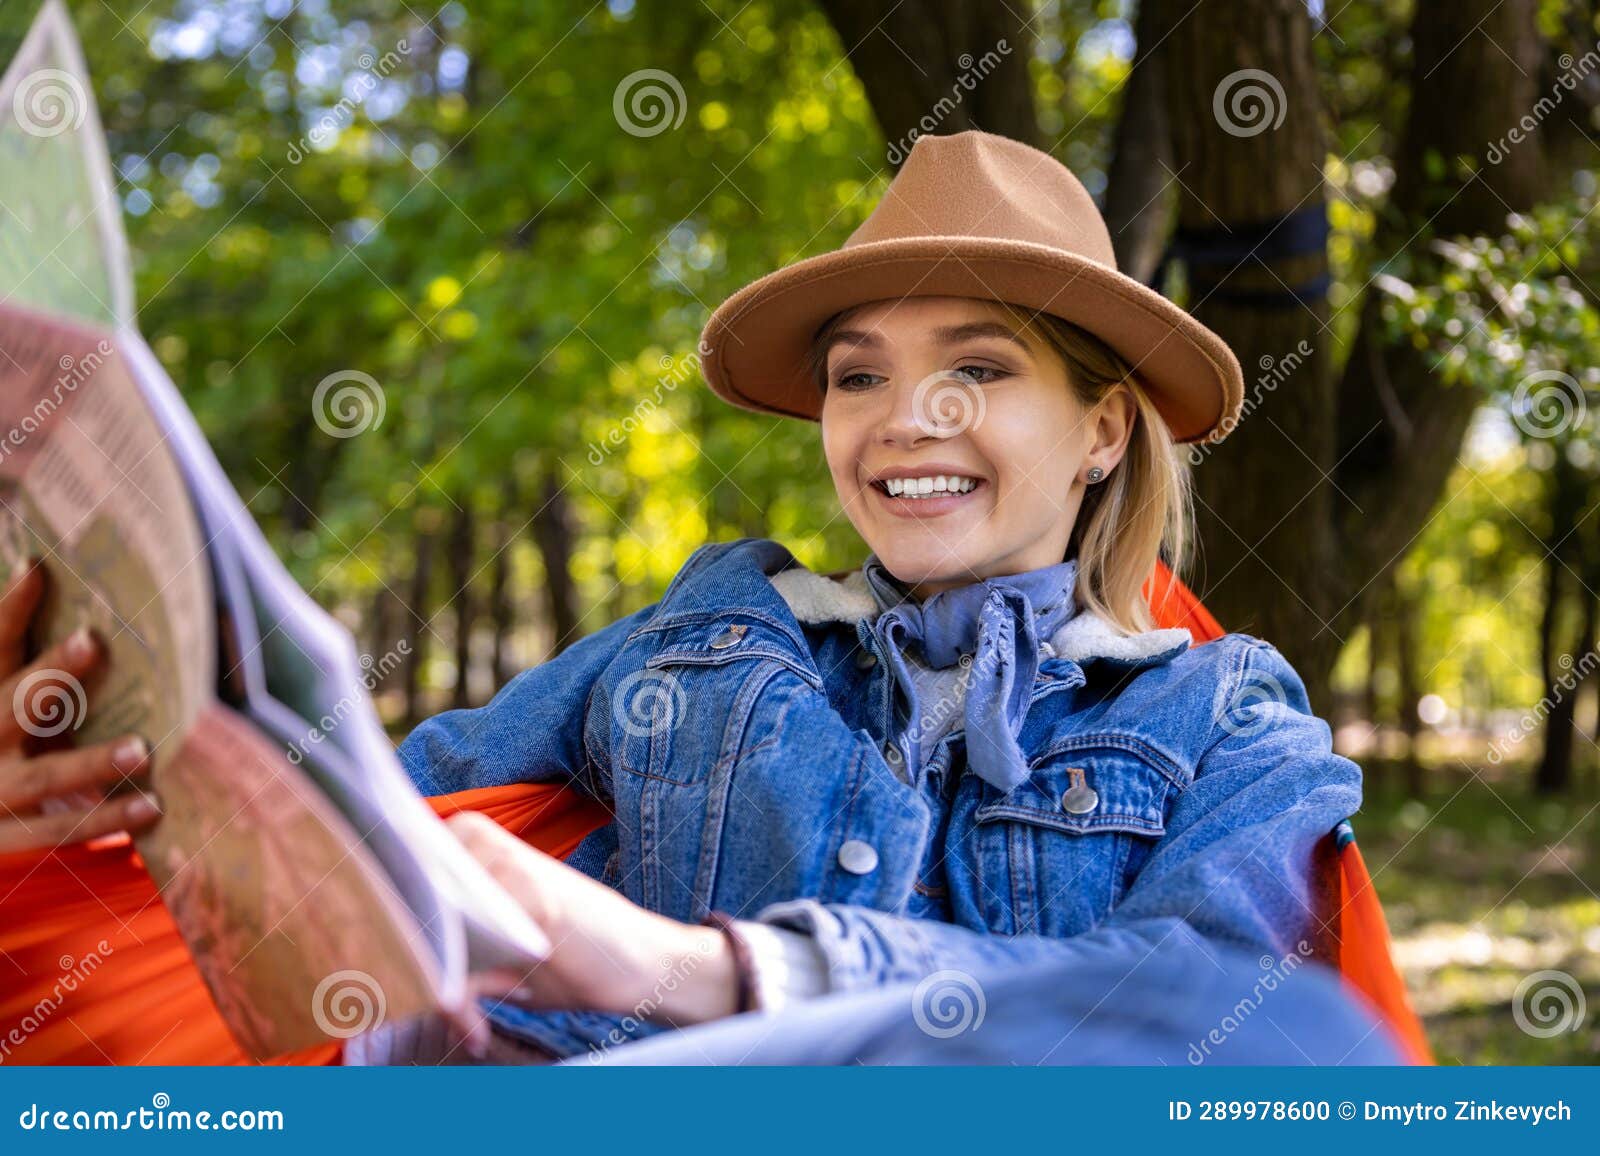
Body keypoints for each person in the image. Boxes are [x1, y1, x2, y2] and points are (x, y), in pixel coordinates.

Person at [0, 130, 1370, 1065]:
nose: (905, 420)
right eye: (858, 375)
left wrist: (691, 969)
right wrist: (70, 792)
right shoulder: (716, 631)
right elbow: (368, 818)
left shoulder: (1221, 711)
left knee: (1302, 1046)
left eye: (981, 368)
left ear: (1105, 430)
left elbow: (1198, 1026)